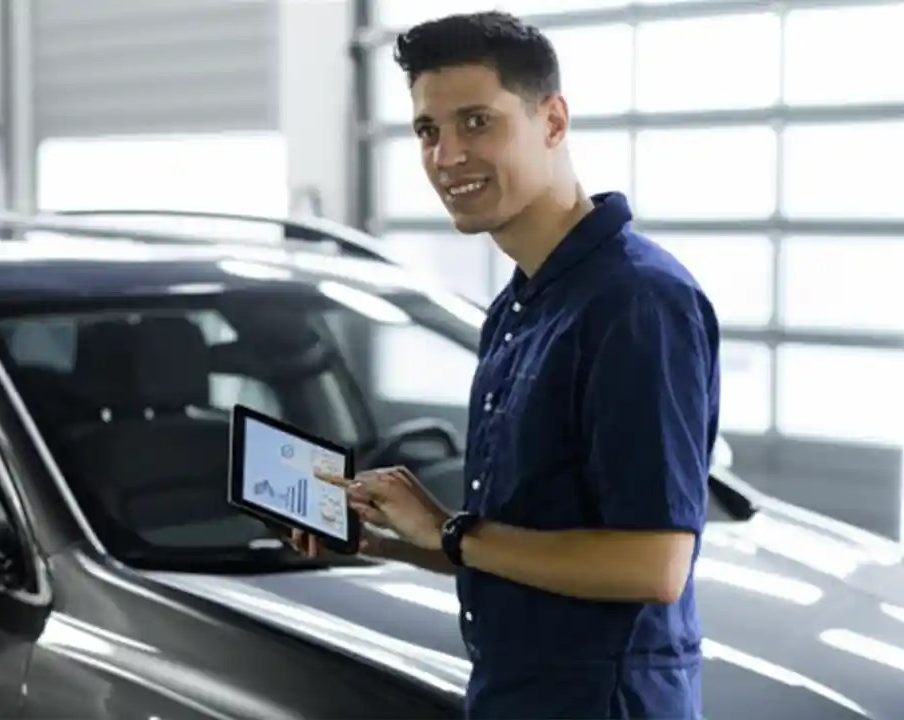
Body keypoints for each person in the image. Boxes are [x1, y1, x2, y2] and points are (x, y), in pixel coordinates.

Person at [290, 10, 720, 719]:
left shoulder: (636, 302)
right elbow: (521, 543)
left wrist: (451, 532)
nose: (446, 155)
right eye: (428, 130)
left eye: (477, 122)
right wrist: (390, 541)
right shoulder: (518, 308)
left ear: (553, 121)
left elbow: (653, 564)